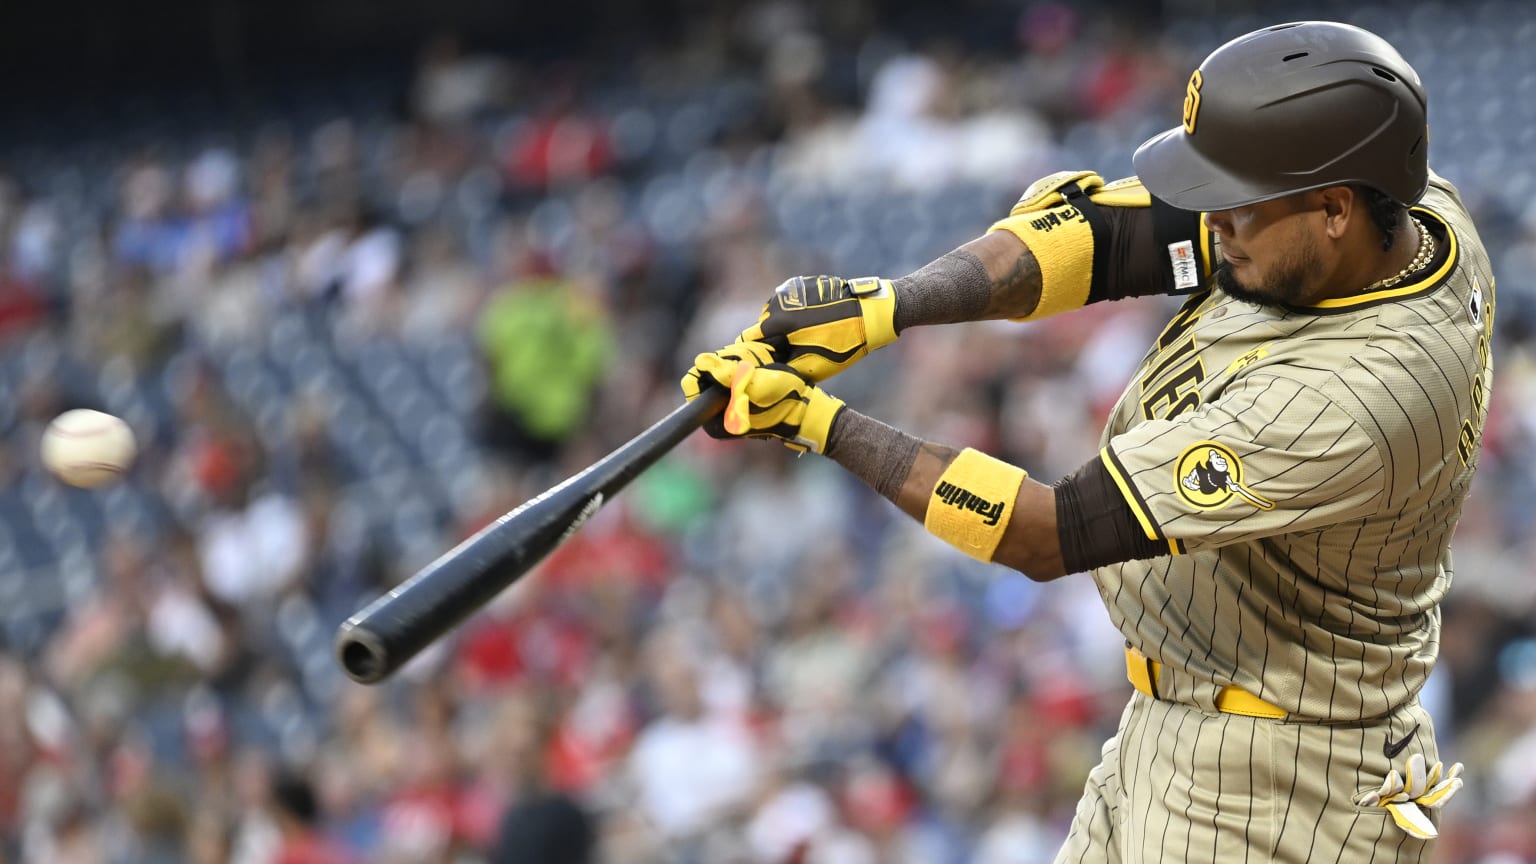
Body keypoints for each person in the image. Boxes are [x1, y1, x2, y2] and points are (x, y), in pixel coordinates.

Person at [680, 20, 1491, 861]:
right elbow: (1113, 239)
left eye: (1240, 204)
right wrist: (886, 307)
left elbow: (1047, 530)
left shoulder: (1357, 398)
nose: (1217, 222)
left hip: (1281, 787)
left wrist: (817, 421)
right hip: (1187, 724)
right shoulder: (1402, 215)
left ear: (1334, 210)